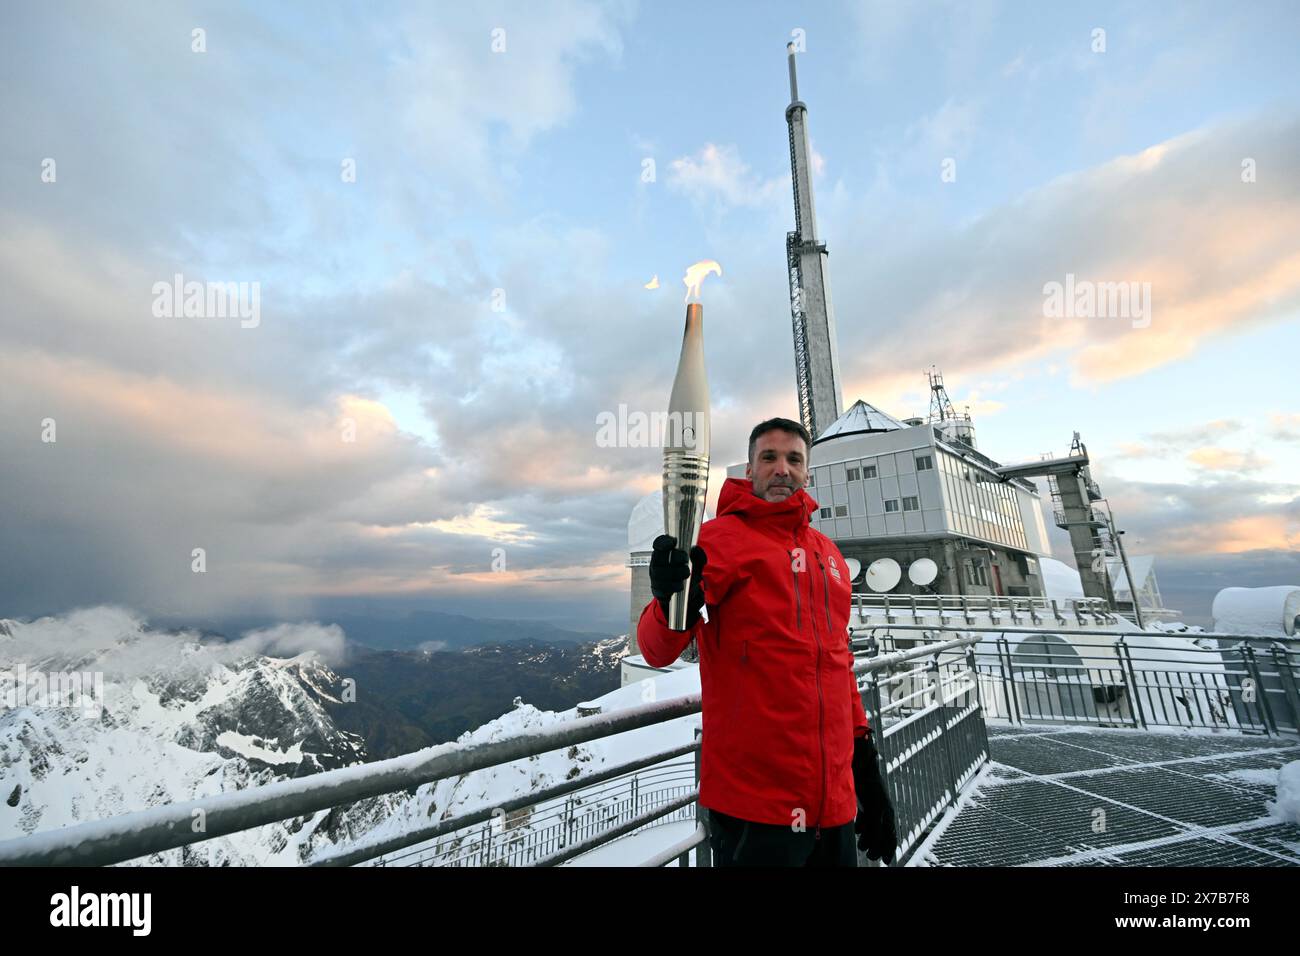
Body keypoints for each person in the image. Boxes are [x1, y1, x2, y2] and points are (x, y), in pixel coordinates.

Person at [637, 417, 897, 867]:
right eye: (769, 458)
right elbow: (657, 649)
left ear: (807, 471)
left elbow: (837, 665)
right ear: (750, 469)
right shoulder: (717, 540)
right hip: (753, 808)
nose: (782, 469)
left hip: (832, 805)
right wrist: (668, 599)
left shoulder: (827, 554)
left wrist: (866, 773)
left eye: (794, 459)